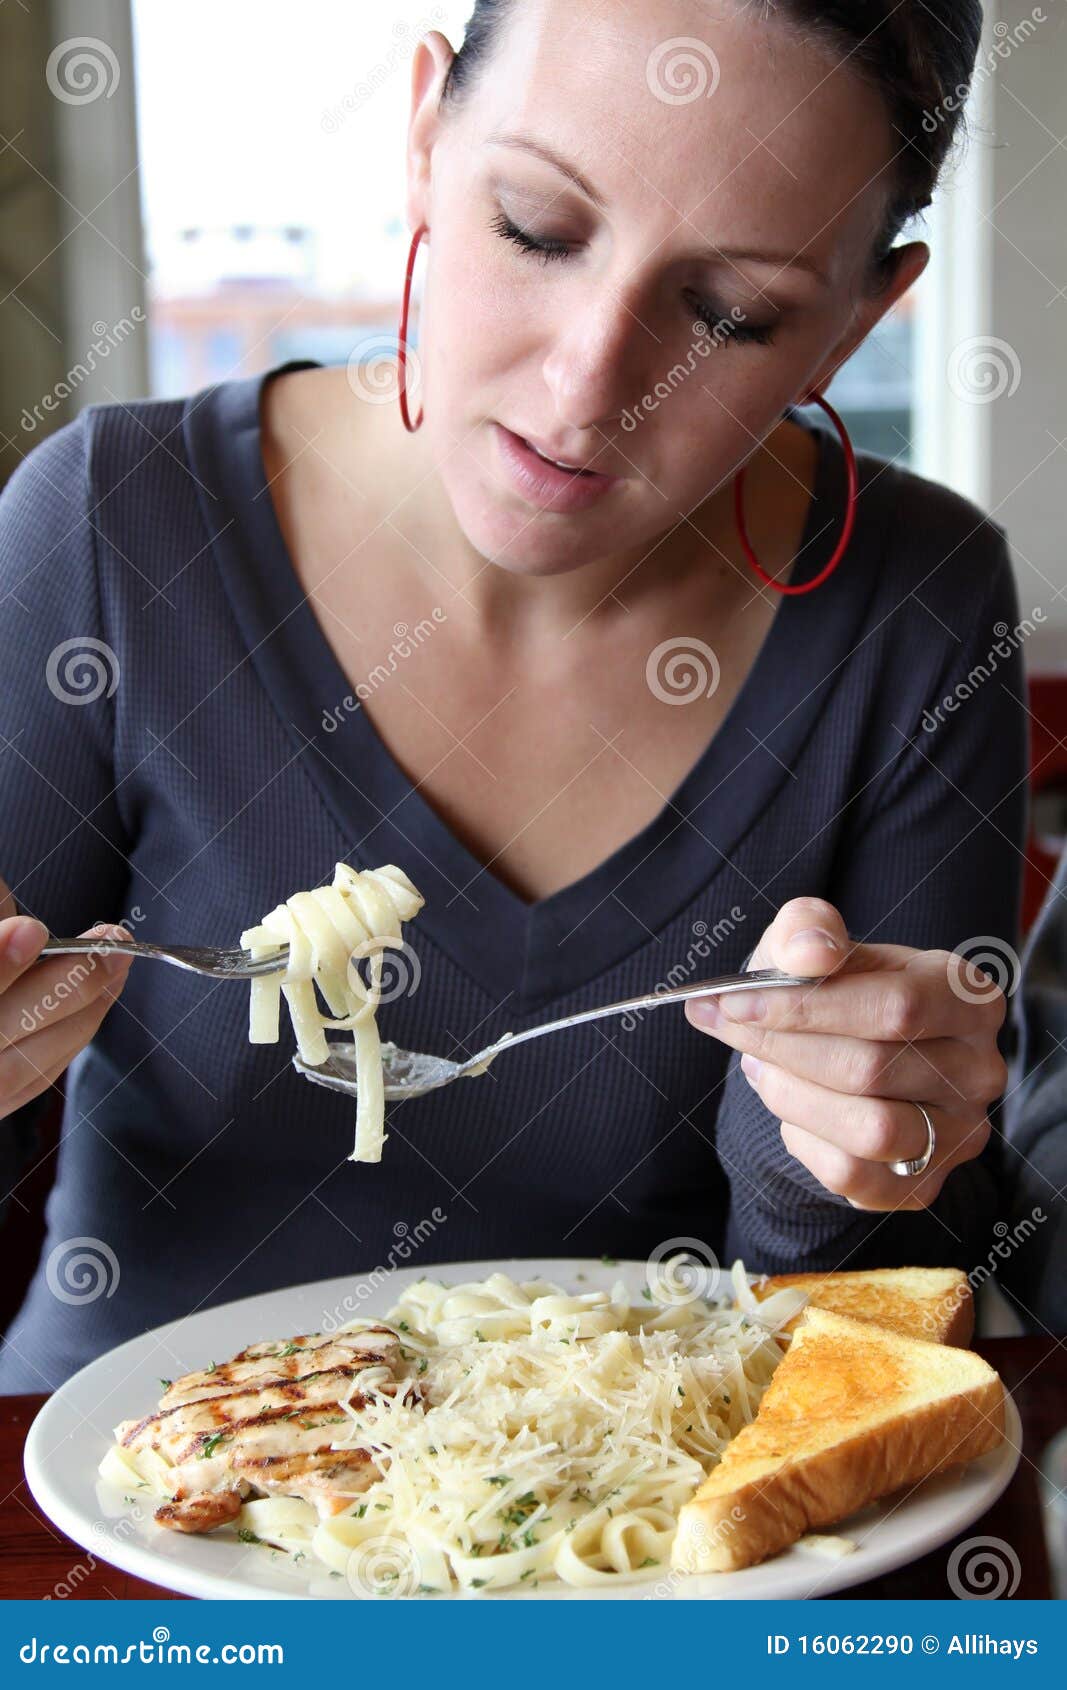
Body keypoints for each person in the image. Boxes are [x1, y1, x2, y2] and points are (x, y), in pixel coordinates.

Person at [0, 0, 1027, 1392]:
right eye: (538, 227)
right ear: (424, 135)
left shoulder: (918, 606)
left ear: (858, 321)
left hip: (659, 1531)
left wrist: (838, 1150)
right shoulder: (114, 529)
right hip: (121, 1506)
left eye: (733, 313)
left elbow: (881, 1329)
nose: (585, 384)